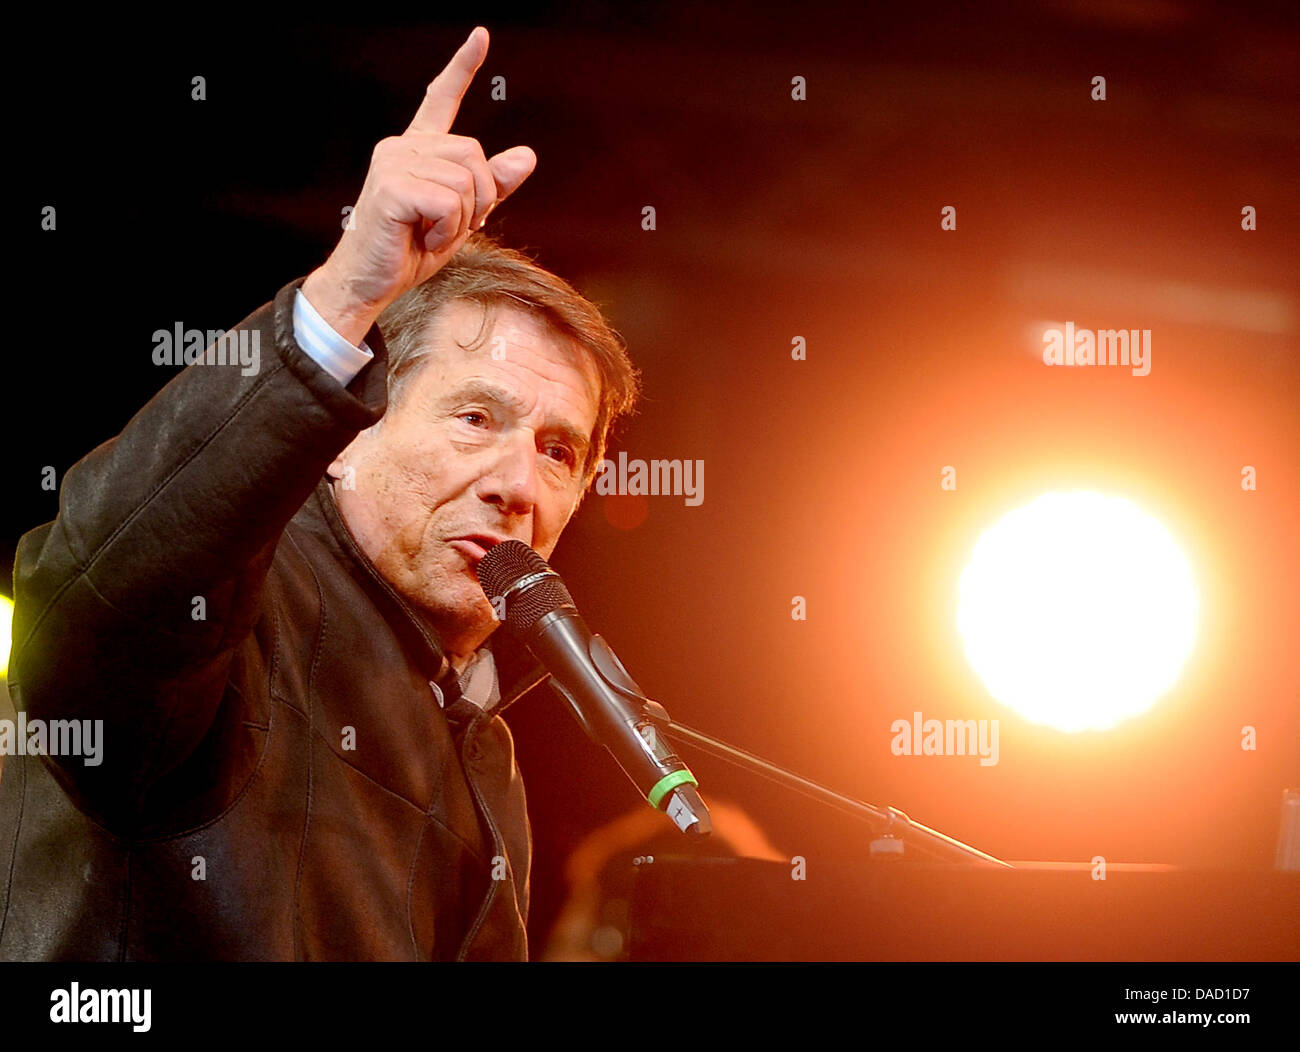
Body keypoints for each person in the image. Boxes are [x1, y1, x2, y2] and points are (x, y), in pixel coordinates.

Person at [0, 26, 637, 961]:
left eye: (557, 450)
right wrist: (342, 300)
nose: (514, 485)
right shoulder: (234, 609)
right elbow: (94, 611)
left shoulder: (487, 755)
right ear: (348, 432)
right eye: (473, 418)